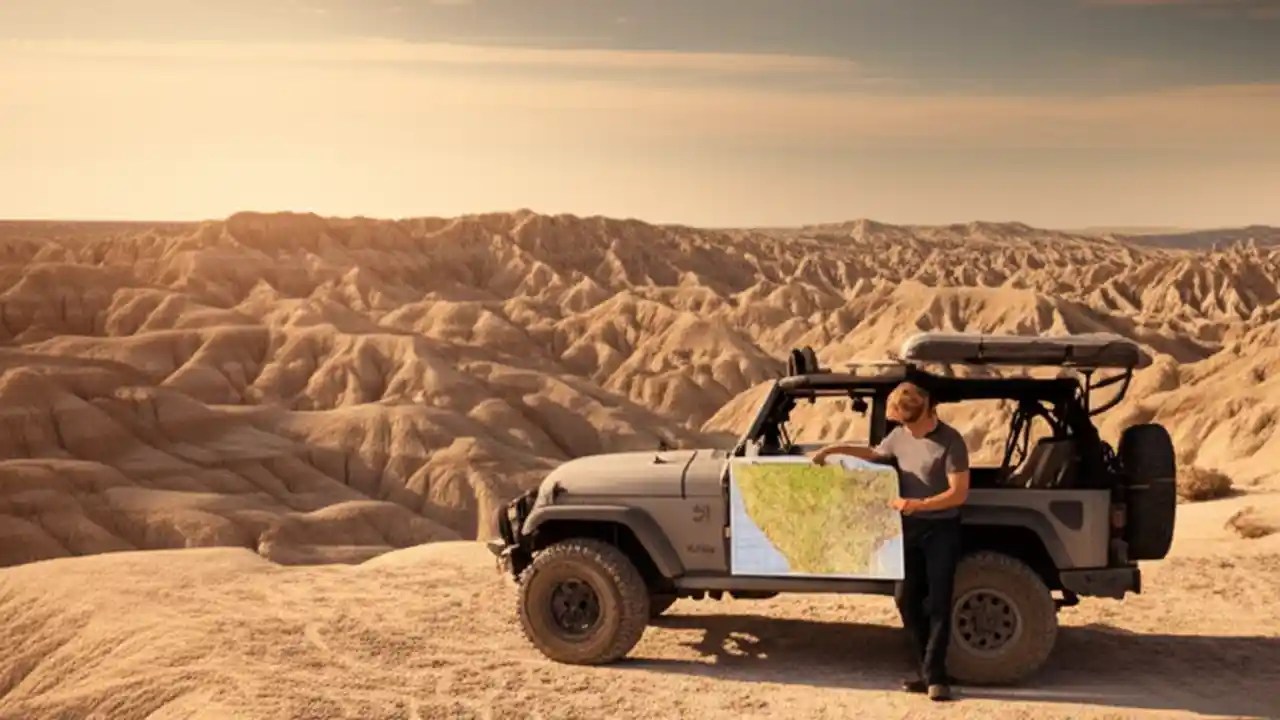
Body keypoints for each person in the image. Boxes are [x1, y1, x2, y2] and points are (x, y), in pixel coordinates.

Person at [811, 381, 971, 702]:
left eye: (910, 422)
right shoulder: (900, 434)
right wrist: (834, 450)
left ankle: (936, 678)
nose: (905, 429)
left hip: (941, 530)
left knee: (939, 602)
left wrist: (918, 505)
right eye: (901, 422)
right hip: (909, 529)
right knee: (906, 600)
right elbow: (875, 453)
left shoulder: (952, 441)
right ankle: (927, 672)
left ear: (927, 408)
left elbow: (958, 493)